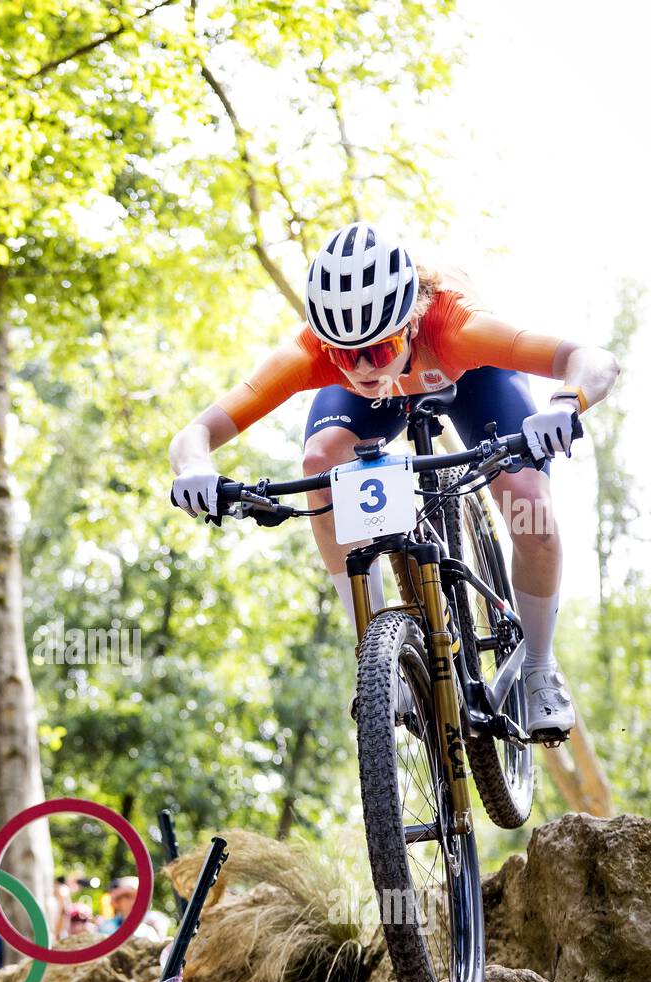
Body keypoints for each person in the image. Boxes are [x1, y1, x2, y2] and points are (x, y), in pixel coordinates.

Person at [168, 222, 619, 740]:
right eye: (343, 353)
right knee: (319, 463)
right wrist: (196, 469)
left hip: (471, 377)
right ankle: (376, 648)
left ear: (408, 323)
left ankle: (539, 665)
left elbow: (591, 360)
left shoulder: (456, 326)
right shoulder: (320, 352)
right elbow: (196, 432)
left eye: (378, 351)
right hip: (378, 407)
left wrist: (566, 402)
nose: (360, 367)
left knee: (527, 502)